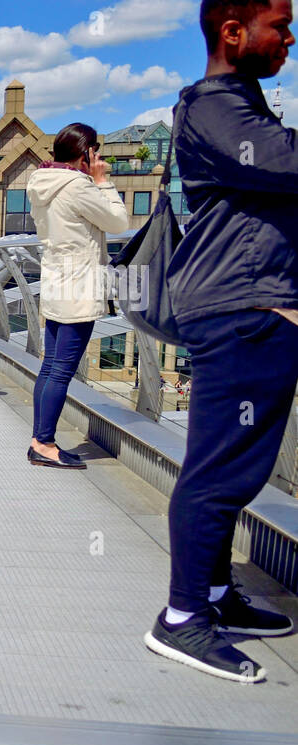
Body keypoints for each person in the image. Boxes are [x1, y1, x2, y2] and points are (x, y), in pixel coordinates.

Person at [143, 0, 297, 683]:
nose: (289, 36)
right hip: (242, 306)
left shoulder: (238, 101)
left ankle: (212, 596)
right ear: (233, 33)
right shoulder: (215, 107)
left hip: (251, 302)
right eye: (281, 25)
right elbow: (287, 165)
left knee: (236, 466)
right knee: (220, 469)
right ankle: (182, 618)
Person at [25, 122, 128, 470]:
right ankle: (44, 443)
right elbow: (118, 223)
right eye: (95, 151)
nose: (98, 157)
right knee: (61, 370)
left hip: (57, 279)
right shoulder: (78, 186)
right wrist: (104, 183)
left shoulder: (41, 182)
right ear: (85, 153)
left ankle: (40, 439)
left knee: (51, 366)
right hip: (79, 286)